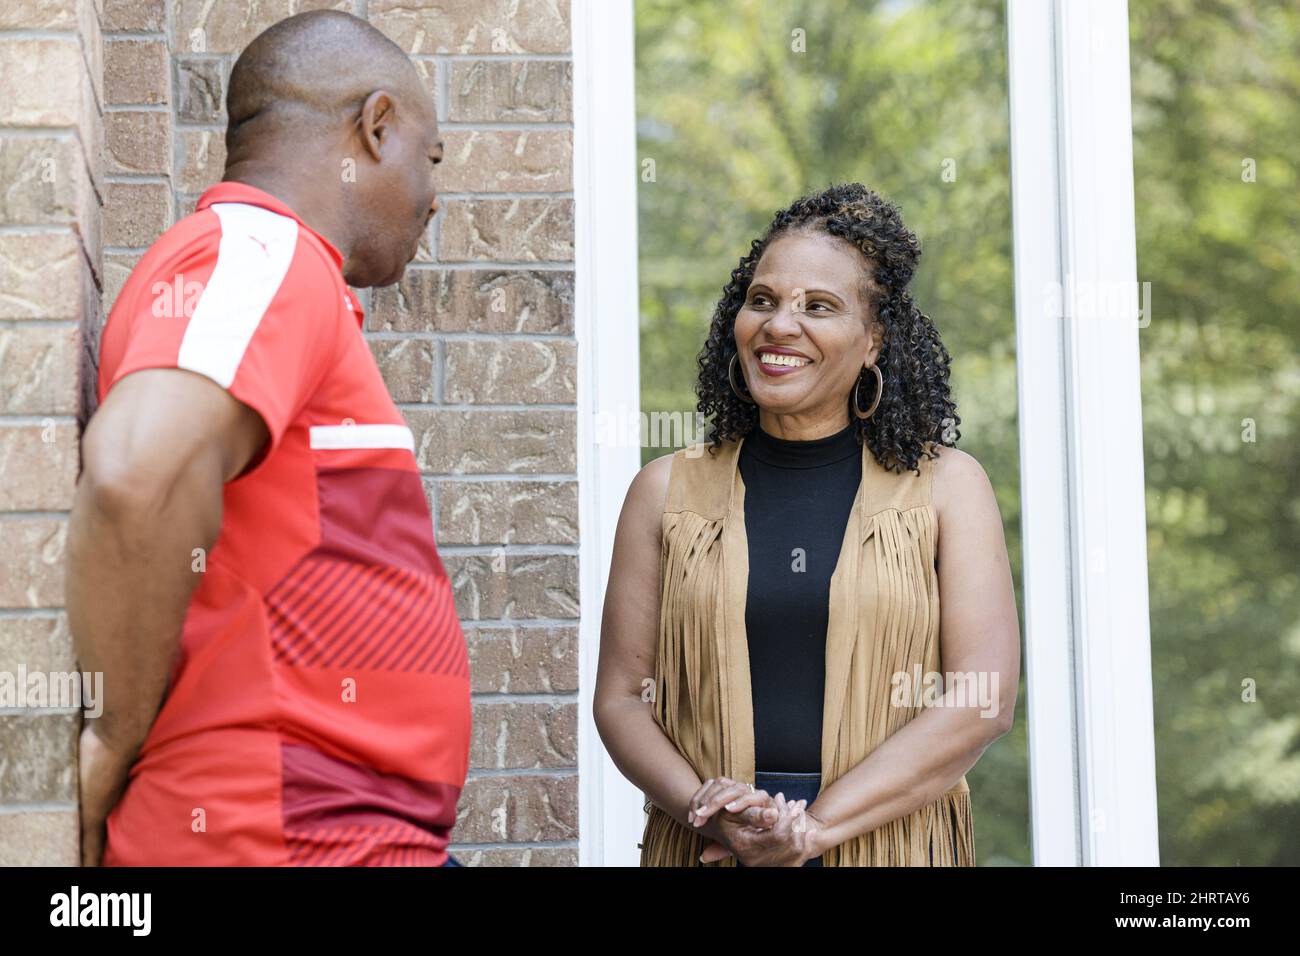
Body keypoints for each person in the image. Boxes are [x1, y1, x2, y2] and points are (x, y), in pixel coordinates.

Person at [67, 10, 470, 867]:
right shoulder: (259, 251)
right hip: (278, 840)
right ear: (376, 125)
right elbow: (137, 473)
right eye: (429, 160)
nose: (435, 198)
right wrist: (111, 738)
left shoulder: (272, 269)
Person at [594, 183, 1021, 866]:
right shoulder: (663, 492)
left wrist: (811, 831)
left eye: (818, 307)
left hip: (889, 839)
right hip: (709, 846)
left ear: (874, 340)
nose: (779, 325)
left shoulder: (946, 488)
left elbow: (982, 700)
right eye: (762, 300)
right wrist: (713, 814)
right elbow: (620, 699)